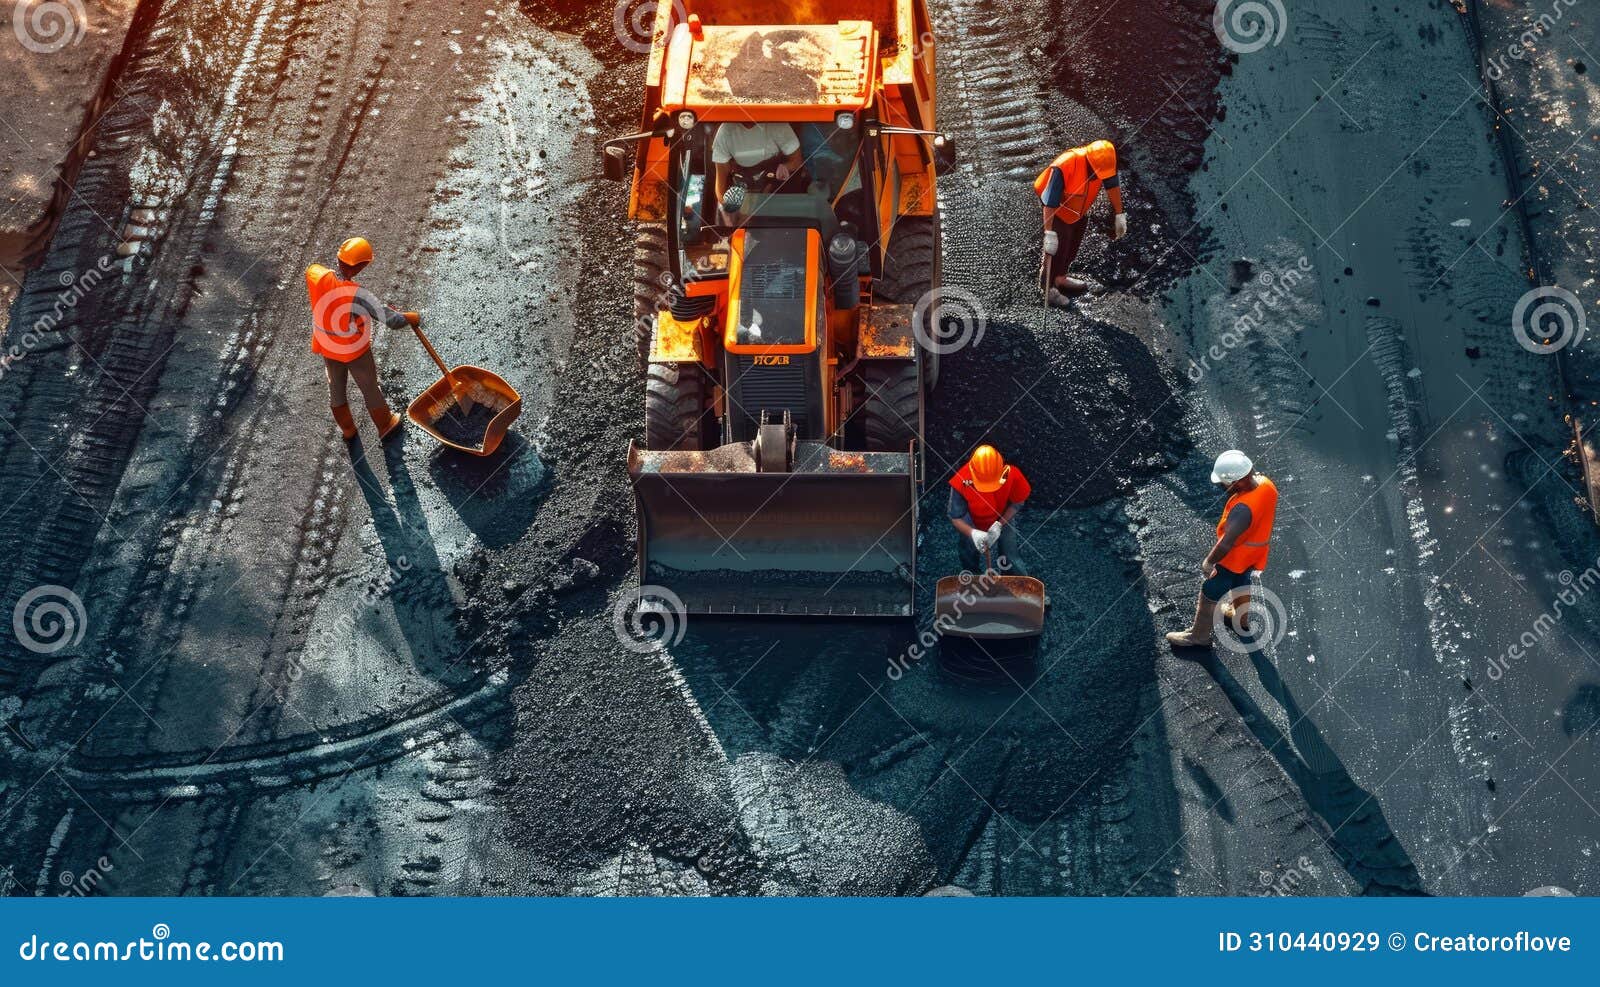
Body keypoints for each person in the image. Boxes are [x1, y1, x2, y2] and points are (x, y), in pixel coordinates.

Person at [305, 237, 420, 443]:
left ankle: (348, 429)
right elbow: (392, 321)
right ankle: (385, 424)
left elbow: (313, 270)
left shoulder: (318, 277)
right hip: (352, 349)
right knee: (368, 386)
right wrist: (410, 317)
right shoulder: (358, 294)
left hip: (327, 345)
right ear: (362, 266)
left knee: (336, 387)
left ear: (339, 258)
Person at [1166, 450, 1278, 649]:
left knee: (1210, 591)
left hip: (1233, 557)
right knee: (1242, 583)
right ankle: (1240, 620)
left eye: (1224, 483)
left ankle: (1198, 636)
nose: (1223, 487)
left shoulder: (1242, 510)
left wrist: (1209, 562)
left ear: (1236, 481)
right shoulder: (1266, 484)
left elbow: (1226, 543)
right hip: (1255, 553)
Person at [1033, 139, 1129, 306]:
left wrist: (1119, 214)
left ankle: (1060, 278)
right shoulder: (1065, 165)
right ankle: (1048, 290)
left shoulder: (1104, 164)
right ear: (1090, 163)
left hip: (1078, 210)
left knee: (1072, 243)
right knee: (1055, 248)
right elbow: (1050, 202)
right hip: (1058, 209)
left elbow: (1112, 185)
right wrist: (1049, 233)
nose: (1101, 178)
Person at [949, 445, 1031, 577]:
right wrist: (973, 533)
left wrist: (1000, 524)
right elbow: (956, 517)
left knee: (1010, 552)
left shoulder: (1012, 475)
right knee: (968, 550)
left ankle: (1016, 579)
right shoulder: (961, 480)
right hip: (971, 517)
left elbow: (1017, 504)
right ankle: (972, 578)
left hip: (1002, 515)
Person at [712, 121, 803, 220]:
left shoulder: (776, 124)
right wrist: (736, 210)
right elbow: (721, 188)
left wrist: (784, 168)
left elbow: (797, 161)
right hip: (743, 194)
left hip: (775, 194)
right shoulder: (726, 131)